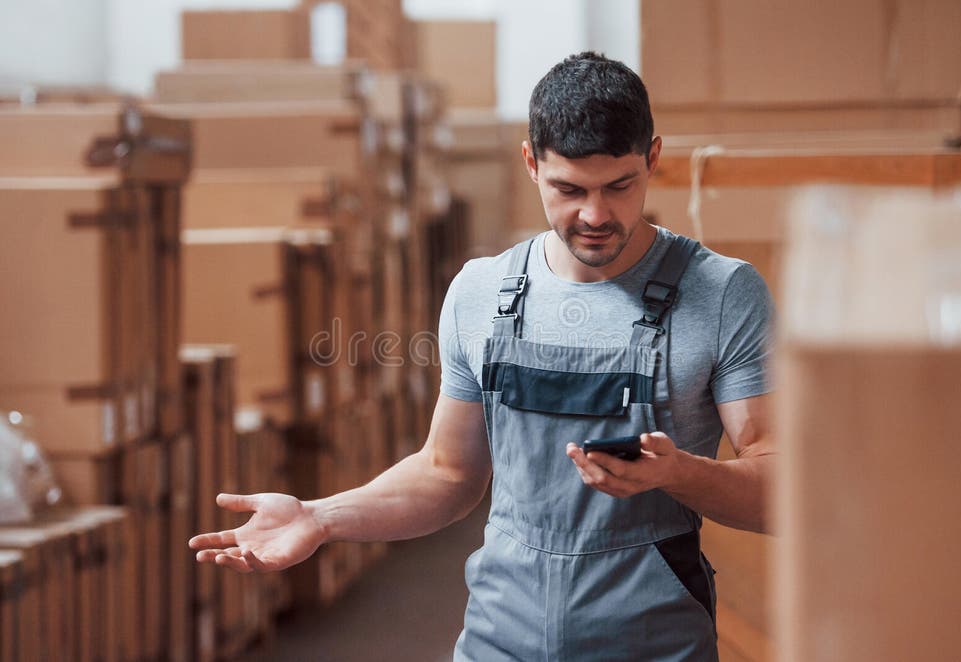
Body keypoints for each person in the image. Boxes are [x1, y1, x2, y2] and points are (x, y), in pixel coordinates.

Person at [190, 52, 775, 661]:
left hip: (652, 643)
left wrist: (679, 474)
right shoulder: (484, 293)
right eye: (569, 189)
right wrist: (320, 516)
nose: (595, 215)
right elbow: (447, 473)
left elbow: (779, 488)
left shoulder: (722, 293)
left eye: (619, 186)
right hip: (502, 638)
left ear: (653, 158)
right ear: (530, 163)